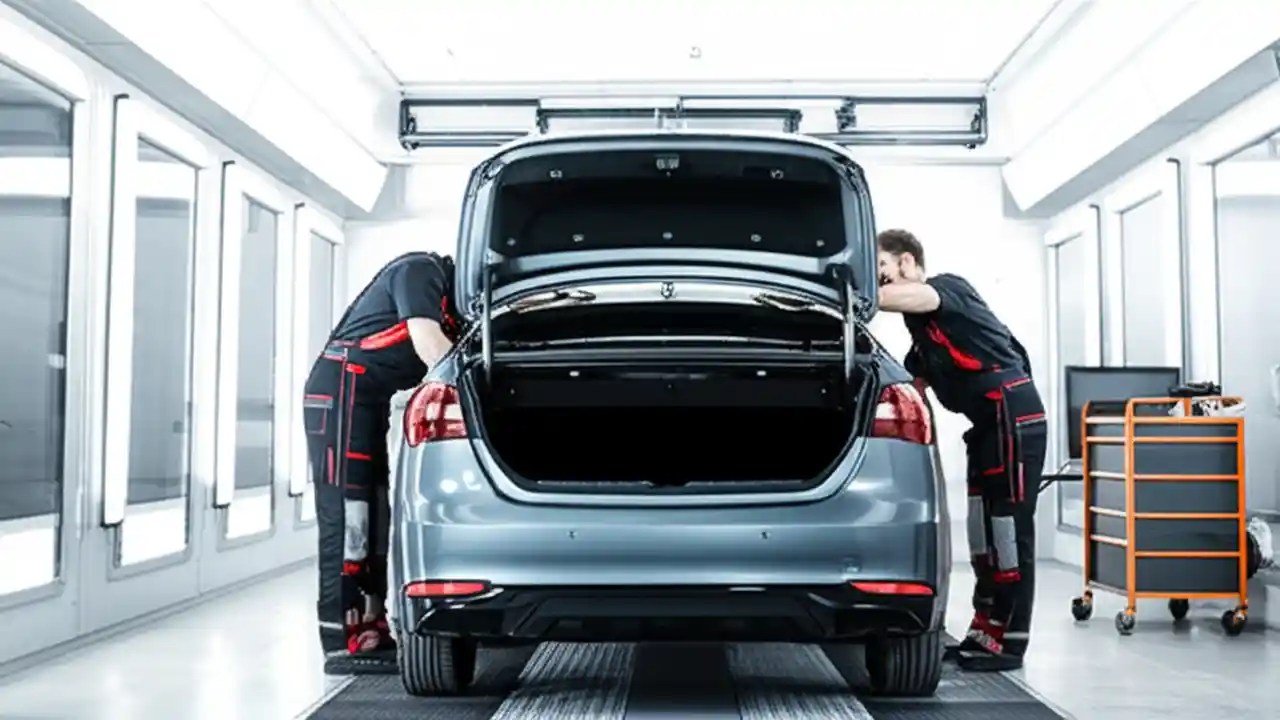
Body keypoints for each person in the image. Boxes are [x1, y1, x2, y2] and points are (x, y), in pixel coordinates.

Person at [875, 229, 1046, 672]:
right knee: (981, 534)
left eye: (881, 273)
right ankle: (983, 631)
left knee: (1008, 532)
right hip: (987, 425)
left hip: (1013, 416)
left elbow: (912, 299)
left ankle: (1011, 643)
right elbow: (907, 390)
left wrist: (851, 295)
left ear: (908, 263)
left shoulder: (950, 289)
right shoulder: (924, 343)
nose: (880, 285)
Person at [302, 251, 461, 667]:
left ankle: (373, 624)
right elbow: (430, 347)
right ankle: (341, 638)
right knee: (349, 512)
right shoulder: (421, 271)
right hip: (338, 388)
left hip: (367, 397)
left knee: (376, 510)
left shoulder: (455, 302)